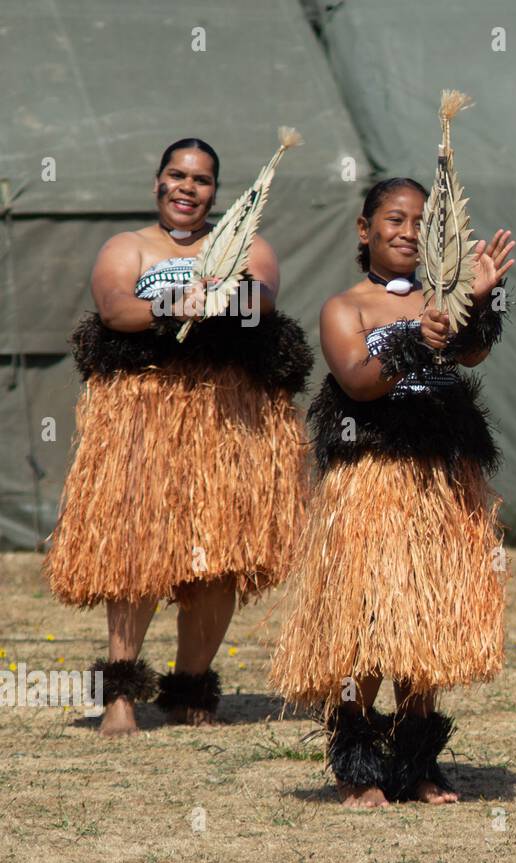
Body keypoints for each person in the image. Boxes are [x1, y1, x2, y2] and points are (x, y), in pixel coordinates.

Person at [44, 138, 312, 735]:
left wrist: (217, 294)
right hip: (144, 413)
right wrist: (173, 305)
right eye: (177, 175)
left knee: (218, 556)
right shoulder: (128, 247)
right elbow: (115, 309)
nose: (188, 188)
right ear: (158, 183)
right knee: (136, 550)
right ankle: (120, 695)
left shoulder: (247, 247)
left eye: (202, 180)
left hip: (225, 419)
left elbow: (260, 303)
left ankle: (191, 688)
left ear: (217, 191)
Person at [270, 177, 516, 808]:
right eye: (395, 219)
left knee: (425, 623)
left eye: (422, 223)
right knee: (366, 624)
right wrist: (414, 338)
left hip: (441, 483)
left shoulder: (444, 298)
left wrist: (478, 300)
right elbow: (356, 381)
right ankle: (356, 765)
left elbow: (474, 351)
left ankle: (418, 764)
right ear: (365, 229)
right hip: (372, 481)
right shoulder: (344, 307)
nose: (408, 232)